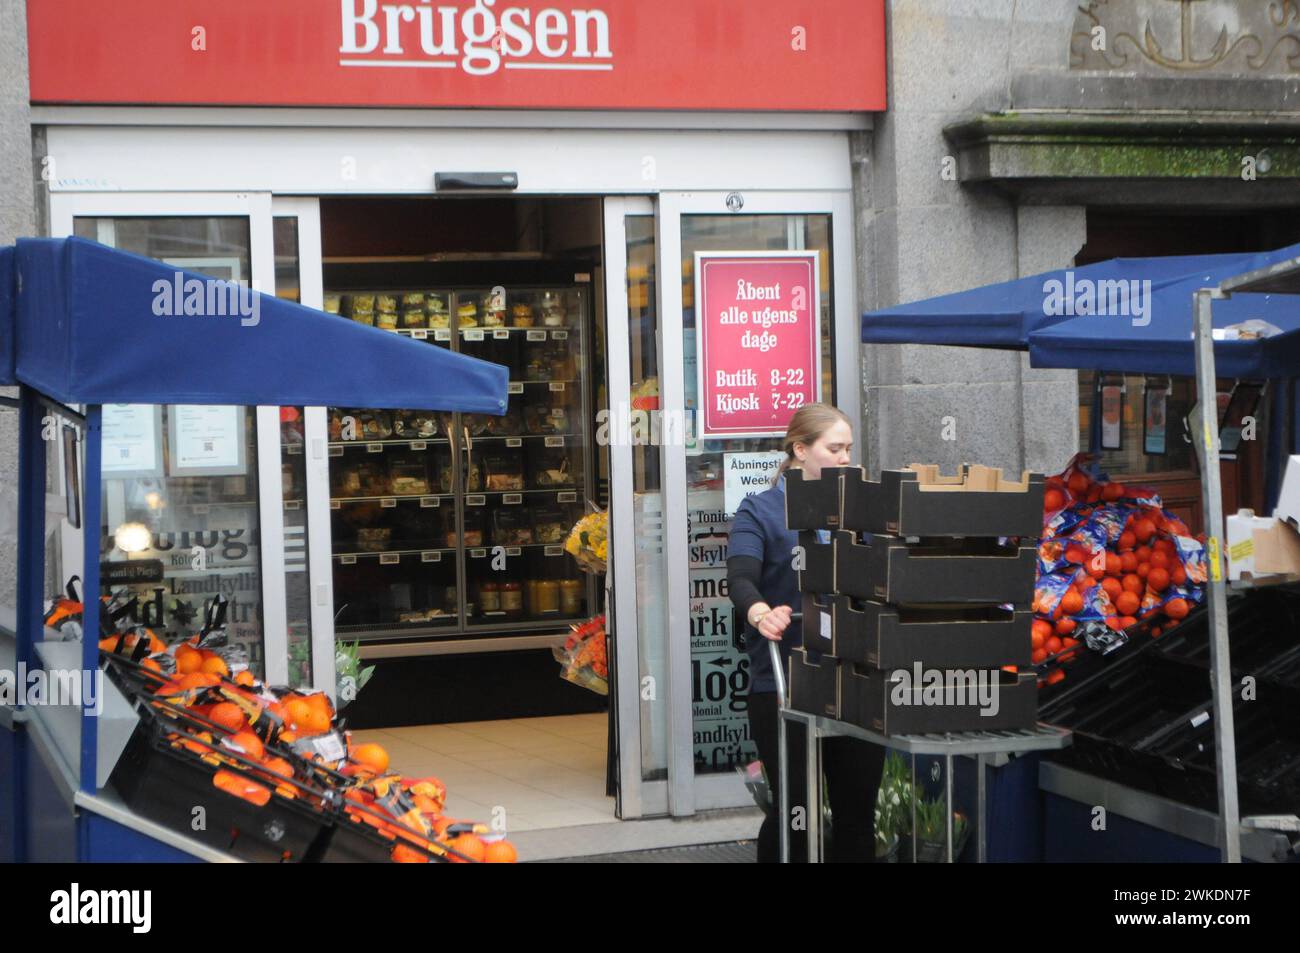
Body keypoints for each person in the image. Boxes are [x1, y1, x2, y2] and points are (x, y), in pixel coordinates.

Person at [727, 402, 887, 862]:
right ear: (800, 449)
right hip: (784, 682)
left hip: (853, 681)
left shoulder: (858, 513)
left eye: (849, 449)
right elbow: (740, 576)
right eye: (834, 448)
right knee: (796, 810)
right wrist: (760, 612)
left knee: (858, 813)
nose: (845, 459)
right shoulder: (761, 511)